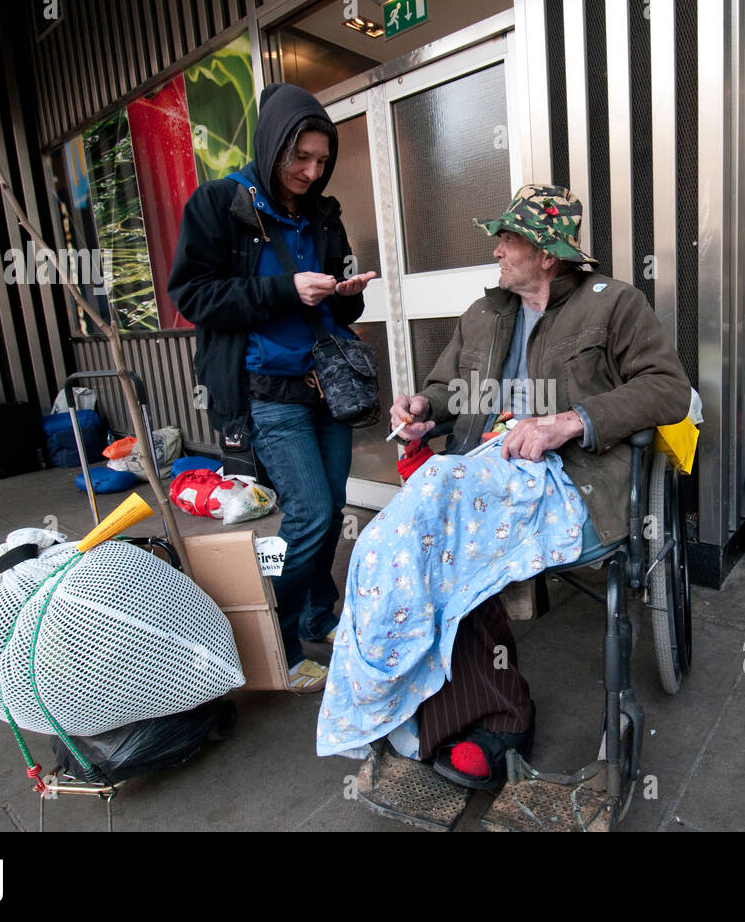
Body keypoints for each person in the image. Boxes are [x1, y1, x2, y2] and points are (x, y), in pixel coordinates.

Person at [316, 184, 692, 784]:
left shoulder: (612, 304)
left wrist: (570, 421)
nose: (497, 249)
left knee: (445, 538)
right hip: (477, 474)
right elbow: (447, 392)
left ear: (547, 253)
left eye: (509, 238)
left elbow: (669, 389)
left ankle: (503, 717)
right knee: (391, 546)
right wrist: (421, 406)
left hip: (568, 478)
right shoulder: (485, 315)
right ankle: (409, 698)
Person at [169, 84, 376, 694]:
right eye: (299, 159)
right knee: (309, 515)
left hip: (326, 388)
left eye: (321, 160)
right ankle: (274, 640)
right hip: (268, 391)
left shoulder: (323, 212)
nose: (311, 172)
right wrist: (287, 290)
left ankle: (318, 614)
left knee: (332, 508)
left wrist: (346, 289)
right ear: (272, 146)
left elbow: (339, 299)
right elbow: (194, 297)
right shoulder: (219, 204)